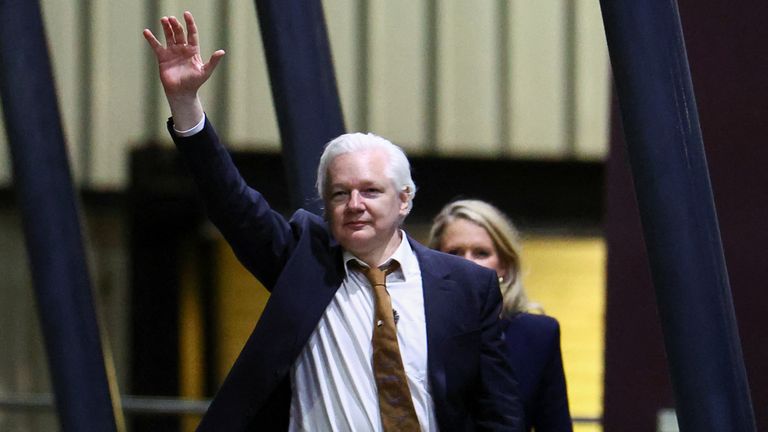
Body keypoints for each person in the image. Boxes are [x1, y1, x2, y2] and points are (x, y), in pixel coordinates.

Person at [142, 12, 522, 431]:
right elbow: (232, 202)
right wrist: (185, 105)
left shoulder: (468, 286)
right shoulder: (303, 262)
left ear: (405, 199)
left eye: (370, 191)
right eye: (340, 194)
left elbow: (497, 410)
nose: (354, 204)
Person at [428, 200, 573, 432]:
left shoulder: (537, 335)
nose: (468, 264)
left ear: (504, 264)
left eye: (481, 253)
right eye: (454, 253)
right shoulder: (415, 326)